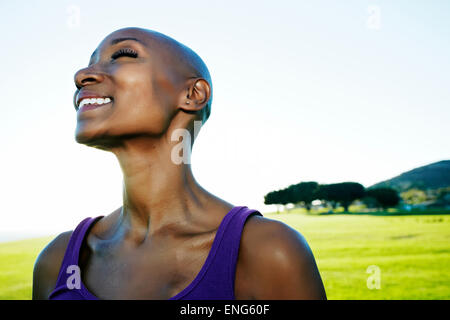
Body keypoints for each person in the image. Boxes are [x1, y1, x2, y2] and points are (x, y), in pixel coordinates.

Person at [32, 27, 327, 300]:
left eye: (123, 55)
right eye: (90, 62)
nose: (82, 75)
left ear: (193, 94)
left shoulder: (268, 252)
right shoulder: (56, 260)